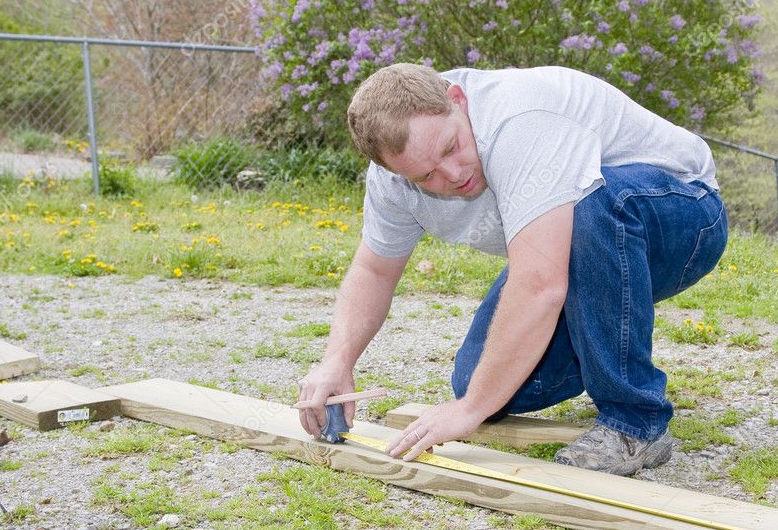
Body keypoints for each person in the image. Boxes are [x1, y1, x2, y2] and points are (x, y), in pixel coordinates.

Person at [296, 63, 728, 475]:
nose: (453, 173)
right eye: (425, 175)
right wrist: (336, 361)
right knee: (481, 384)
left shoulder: (520, 120)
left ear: (458, 99)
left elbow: (540, 285)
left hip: (684, 218)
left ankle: (635, 422)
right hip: (582, 252)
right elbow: (374, 272)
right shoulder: (393, 182)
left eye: (452, 147)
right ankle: (600, 339)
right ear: (393, 171)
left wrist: (468, 414)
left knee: (591, 204)